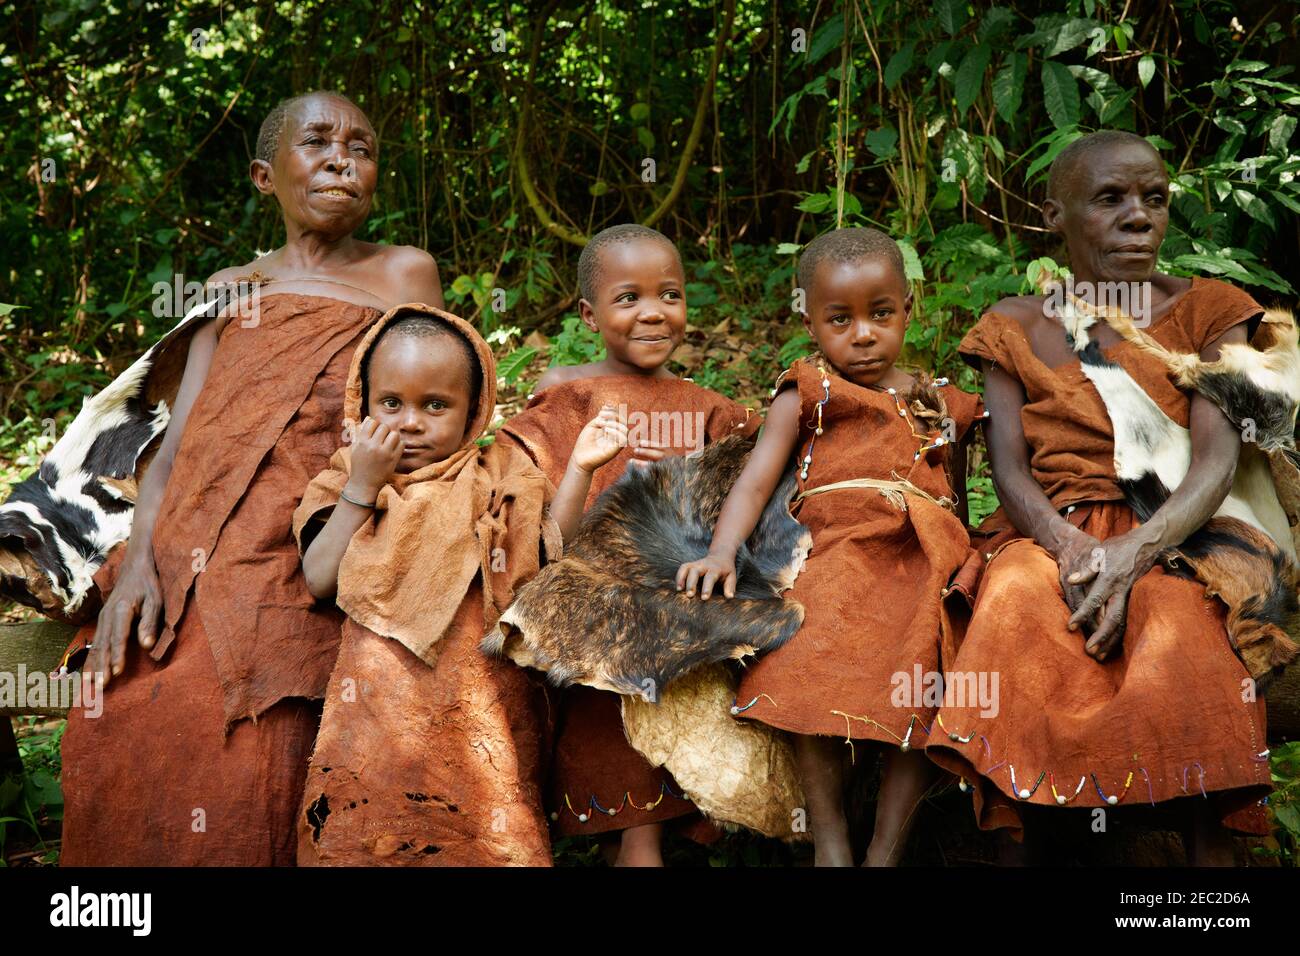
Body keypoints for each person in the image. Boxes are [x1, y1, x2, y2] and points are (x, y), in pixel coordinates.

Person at [59, 90, 442, 865]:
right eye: (320, 143)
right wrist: (137, 569)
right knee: (122, 719)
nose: (344, 159)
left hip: (315, 540)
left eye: (362, 148)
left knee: (266, 738)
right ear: (265, 177)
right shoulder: (231, 286)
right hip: (195, 549)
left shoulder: (406, 272)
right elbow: (180, 446)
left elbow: (434, 414)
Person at [925, 130, 1274, 865]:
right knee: (1016, 603)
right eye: (1110, 199)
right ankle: (1016, 842)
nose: (1138, 216)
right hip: (1053, 528)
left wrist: (1135, 553)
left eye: (1154, 198)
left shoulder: (1213, 310)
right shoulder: (1015, 325)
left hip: (1181, 528)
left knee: (1183, 628)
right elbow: (1011, 471)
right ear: (1055, 215)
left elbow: (1217, 461)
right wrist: (1071, 546)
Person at [677, 227, 983, 866]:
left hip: (929, 558)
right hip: (838, 550)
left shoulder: (940, 402)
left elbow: (951, 495)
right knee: (808, 655)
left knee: (931, 676)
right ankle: (831, 841)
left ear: (908, 310)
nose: (863, 334)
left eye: (881, 314)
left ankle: (885, 848)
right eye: (838, 319)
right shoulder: (809, 392)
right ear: (809, 321)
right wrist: (722, 550)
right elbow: (757, 480)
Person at [292, 304, 625, 865]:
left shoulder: (500, 473)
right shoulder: (345, 475)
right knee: (373, 819)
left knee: (484, 827)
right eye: (390, 403)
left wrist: (581, 471)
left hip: (485, 699)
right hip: (378, 700)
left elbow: (545, 557)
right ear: (363, 403)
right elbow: (320, 577)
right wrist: (364, 486)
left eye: (436, 405)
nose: (410, 422)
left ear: (474, 411)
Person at [495, 223, 759, 866]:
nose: (653, 312)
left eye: (669, 294)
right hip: (588, 605)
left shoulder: (711, 409)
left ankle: (648, 840)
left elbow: (745, 514)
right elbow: (546, 532)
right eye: (628, 298)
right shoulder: (568, 398)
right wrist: (584, 468)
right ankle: (636, 843)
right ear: (589, 314)